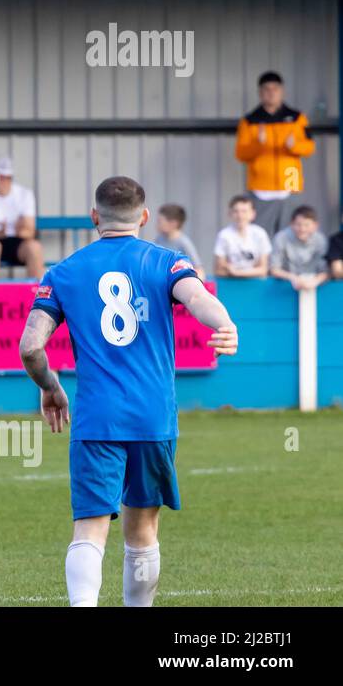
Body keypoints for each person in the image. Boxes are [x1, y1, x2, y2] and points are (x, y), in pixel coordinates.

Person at [18, 175, 238, 607]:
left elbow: (30, 347)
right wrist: (224, 324)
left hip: (97, 417)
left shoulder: (62, 272)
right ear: (144, 217)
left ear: (94, 217)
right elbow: (197, 299)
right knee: (141, 531)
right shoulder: (167, 262)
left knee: (89, 527)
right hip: (152, 417)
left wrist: (50, 386)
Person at [234, 70, 315, 235]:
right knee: (261, 235)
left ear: (281, 90)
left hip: (290, 183)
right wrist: (259, 144)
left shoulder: (296, 118)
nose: (271, 93)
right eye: (266, 89)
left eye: (275, 89)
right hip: (260, 189)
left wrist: (294, 146)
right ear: (260, 92)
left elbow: (309, 148)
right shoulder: (250, 121)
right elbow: (241, 153)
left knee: (291, 234)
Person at [0, 155, 45, 279]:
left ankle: (38, 296)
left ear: (2, 177)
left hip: (18, 244)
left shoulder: (24, 194)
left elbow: (29, 232)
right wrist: (3, 232)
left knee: (34, 247)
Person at [269, 205, 329, 291]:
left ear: (315, 225)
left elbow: (325, 270)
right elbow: (274, 269)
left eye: (307, 225)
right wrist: (293, 278)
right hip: (283, 288)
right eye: (298, 224)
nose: (302, 229)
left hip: (315, 287)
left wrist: (315, 281)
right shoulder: (281, 238)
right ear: (291, 224)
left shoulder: (320, 240)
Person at [213, 195, 271, 278]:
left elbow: (263, 270)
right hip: (231, 283)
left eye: (244, 211)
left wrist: (236, 272)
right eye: (236, 211)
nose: (240, 215)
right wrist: (252, 271)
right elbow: (218, 270)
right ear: (230, 213)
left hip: (256, 283)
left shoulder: (260, 234)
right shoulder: (224, 235)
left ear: (253, 214)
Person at [153, 204, 204, 280]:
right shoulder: (159, 239)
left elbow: (199, 270)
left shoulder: (184, 243)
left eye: (160, 221)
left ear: (173, 223)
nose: (157, 225)